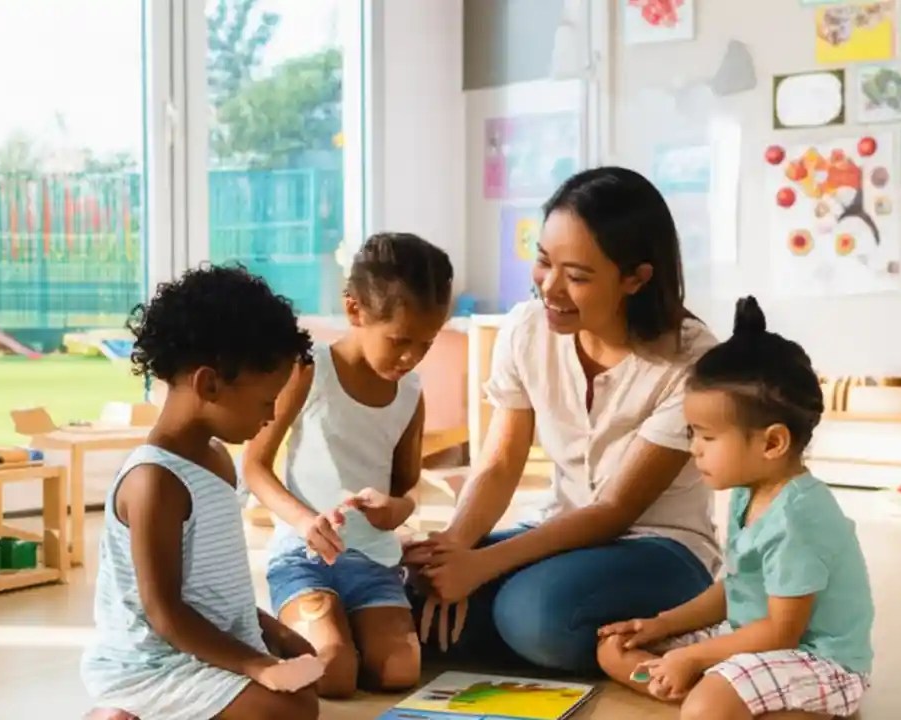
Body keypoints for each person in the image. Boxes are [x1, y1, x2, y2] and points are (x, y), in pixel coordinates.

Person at [403, 166, 722, 673]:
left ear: (636, 278)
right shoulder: (525, 330)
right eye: (543, 262)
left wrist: (482, 565)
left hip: (660, 547)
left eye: (576, 276)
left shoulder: (692, 363)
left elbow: (616, 509)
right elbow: (500, 462)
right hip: (558, 531)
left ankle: (677, 629)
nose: (550, 288)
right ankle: (580, 636)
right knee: (417, 597)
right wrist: (455, 548)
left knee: (533, 615)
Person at [596, 296, 874, 720]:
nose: (693, 450)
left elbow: (783, 631)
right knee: (614, 652)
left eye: (707, 438)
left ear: (771, 443)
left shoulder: (798, 518)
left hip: (819, 663)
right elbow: (734, 590)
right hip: (750, 642)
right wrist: (663, 625)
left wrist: (694, 658)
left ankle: (708, 700)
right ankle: (706, 697)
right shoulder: (747, 492)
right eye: (692, 433)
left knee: (706, 704)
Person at [80, 265, 323, 720]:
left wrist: (275, 633)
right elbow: (164, 611)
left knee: (304, 697)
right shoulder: (154, 482)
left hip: (204, 647)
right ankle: (120, 711)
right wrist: (255, 664)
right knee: (286, 711)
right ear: (209, 384)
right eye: (265, 401)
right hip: (154, 665)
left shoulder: (215, 459)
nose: (271, 417)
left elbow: (211, 591)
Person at [243, 233, 454, 698]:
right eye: (400, 340)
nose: (411, 357)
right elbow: (254, 466)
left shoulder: (411, 393)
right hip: (304, 558)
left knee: (399, 672)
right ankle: (278, 634)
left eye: (426, 343)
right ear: (355, 310)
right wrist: (302, 521)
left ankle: (346, 629)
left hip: (373, 561)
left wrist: (395, 510)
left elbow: (406, 488)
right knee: (334, 673)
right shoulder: (309, 370)